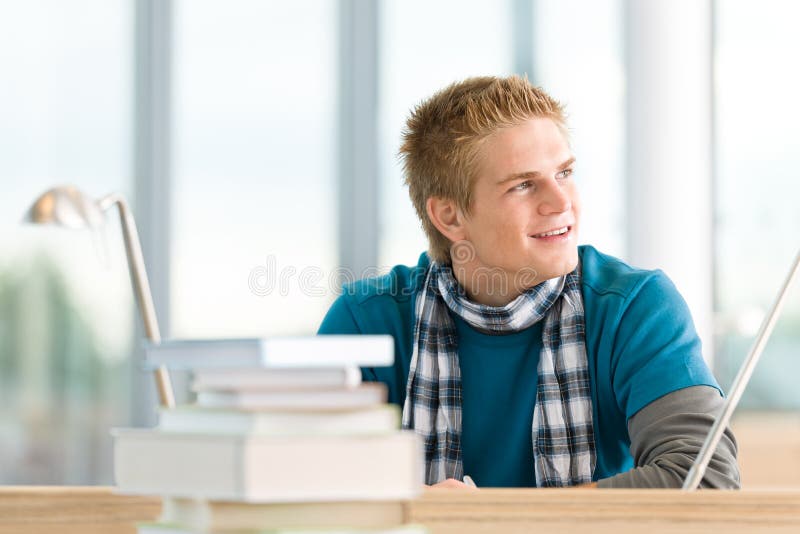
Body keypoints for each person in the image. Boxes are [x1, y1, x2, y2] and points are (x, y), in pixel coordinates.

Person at [317, 75, 739, 489]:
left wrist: (489, 522)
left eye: (565, 173)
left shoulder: (634, 307)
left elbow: (704, 479)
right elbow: (299, 479)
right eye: (523, 185)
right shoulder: (365, 322)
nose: (561, 203)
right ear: (450, 216)